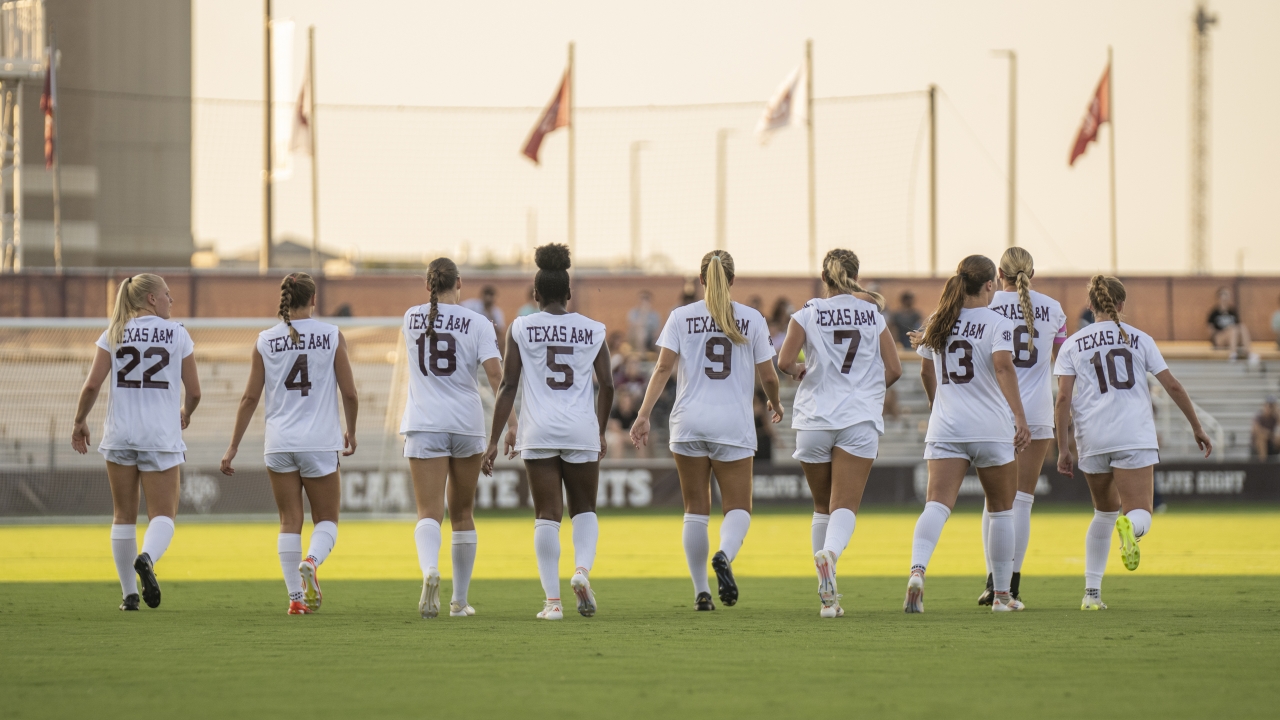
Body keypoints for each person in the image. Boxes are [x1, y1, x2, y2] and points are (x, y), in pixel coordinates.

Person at [630, 250, 782, 611]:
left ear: (701, 280)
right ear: (732, 280)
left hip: (688, 422)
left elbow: (663, 369)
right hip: (732, 423)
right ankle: (725, 555)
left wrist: (643, 414)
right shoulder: (752, 318)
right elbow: (769, 375)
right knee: (738, 508)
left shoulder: (681, 317)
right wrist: (775, 403)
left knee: (695, 509)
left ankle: (701, 593)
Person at [1055, 276, 1212, 610]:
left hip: (1092, 437)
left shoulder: (1072, 344)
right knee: (1140, 512)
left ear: (1090, 305)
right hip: (1133, 434)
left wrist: (1062, 448)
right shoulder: (1140, 339)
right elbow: (1173, 387)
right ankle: (1132, 525)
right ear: (1121, 305)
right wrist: (1196, 427)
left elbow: (1063, 399)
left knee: (1102, 514)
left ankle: (1091, 595)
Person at [483, 244, 613, 621]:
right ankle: (581, 572)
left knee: (547, 515)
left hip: (538, 430)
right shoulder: (593, 329)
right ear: (569, 293)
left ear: (535, 295)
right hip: (581, 429)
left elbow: (508, 385)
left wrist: (493, 440)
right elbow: (608, 385)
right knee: (584, 509)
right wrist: (601, 430)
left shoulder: (522, 327)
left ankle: (552, 604)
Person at [221, 273, 358, 615]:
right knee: (326, 518)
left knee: (288, 520)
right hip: (319, 441)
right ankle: (312, 561)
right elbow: (350, 392)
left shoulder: (265, 340)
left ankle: (296, 600)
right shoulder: (330, 334)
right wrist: (351, 432)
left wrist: (233, 447)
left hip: (279, 443)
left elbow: (249, 397)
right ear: (314, 300)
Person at [777, 249, 902, 618]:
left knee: (821, 508)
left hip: (814, 419)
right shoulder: (871, 313)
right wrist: (868, 393)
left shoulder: (807, 312)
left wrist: (802, 373)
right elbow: (893, 369)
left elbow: (784, 362)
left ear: (824, 277)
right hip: (857, 419)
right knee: (844, 506)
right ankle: (830, 557)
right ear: (855, 275)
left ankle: (828, 600)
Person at [904, 255, 1030, 614]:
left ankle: (917, 570)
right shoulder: (997, 321)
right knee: (1003, 511)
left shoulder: (939, 320)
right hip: (990, 428)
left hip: (947, 426)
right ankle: (1003, 596)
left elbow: (927, 374)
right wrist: (1020, 417)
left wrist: (937, 407)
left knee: (936, 505)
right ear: (990, 284)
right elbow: (1004, 367)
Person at [72, 273, 201, 611]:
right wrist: (186, 411)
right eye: (167, 295)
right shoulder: (177, 333)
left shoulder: (112, 332)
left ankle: (129, 596)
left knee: (122, 516)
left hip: (119, 434)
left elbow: (90, 387)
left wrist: (79, 421)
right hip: (159, 435)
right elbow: (196, 390)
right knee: (163, 515)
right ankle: (147, 557)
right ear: (151, 300)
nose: (171, 301)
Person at [400, 258, 507, 618]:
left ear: (428, 285)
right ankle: (459, 602)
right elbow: (497, 378)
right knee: (462, 514)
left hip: (425, 422)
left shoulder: (411, 318)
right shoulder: (479, 323)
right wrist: (511, 423)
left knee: (429, 513)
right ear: (459, 283)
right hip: (466, 424)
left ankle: (430, 568)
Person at [974, 247, 1068, 607]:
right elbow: (1062, 365)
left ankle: (992, 582)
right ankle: (1010, 585)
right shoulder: (1055, 309)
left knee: (995, 503)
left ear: (999, 273)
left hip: (997, 410)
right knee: (1023, 503)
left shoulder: (986, 302)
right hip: (1039, 412)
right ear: (1032, 272)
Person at [1207, 286, 1253, 361]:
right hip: (1220, 338)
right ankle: (1233, 354)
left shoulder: (1232, 312)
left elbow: (1238, 326)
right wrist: (1225, 332)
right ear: (1219, 297)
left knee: (1242, 327)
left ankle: (1248, 353)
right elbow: (1210, 331)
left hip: (1233, 337)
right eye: (1223, 294)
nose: (1225, 297)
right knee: (1232, 330)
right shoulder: (1214, 313)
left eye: (1227, 295)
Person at [1251, 396, 1279, 461]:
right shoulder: (1259, 416)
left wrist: (1278, 415)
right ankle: (1263, 465)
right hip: (1259, 445)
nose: (1270, 408)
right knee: (1261, 438)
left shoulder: (1275, 417)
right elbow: (1255, 430)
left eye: (1272, 406)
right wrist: (1269, 434)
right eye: (1269, 406)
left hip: (1272, 443)